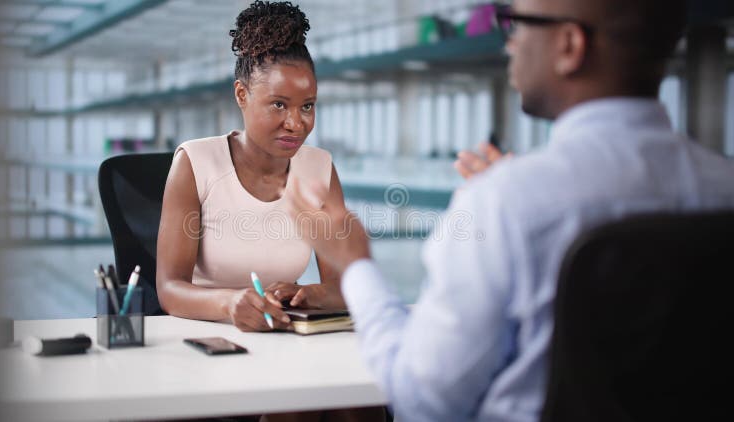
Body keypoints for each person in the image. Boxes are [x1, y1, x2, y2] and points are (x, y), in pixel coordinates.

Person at [283, 0, 734, 420]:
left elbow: (424, 399)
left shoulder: (505, 204)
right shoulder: (723, 187)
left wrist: (355, 264)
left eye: (517, 22)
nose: (509, 41)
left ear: (569, 46)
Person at [156, 0, 348, 332]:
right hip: (204, 338)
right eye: (278, 104)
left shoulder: (320, 169)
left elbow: (344, 287)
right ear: (242, 95)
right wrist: (229, 304)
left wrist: (308, 293)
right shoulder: (195, 163)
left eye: (307, 106)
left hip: (281, 340)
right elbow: (170, 289)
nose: (295, 123)